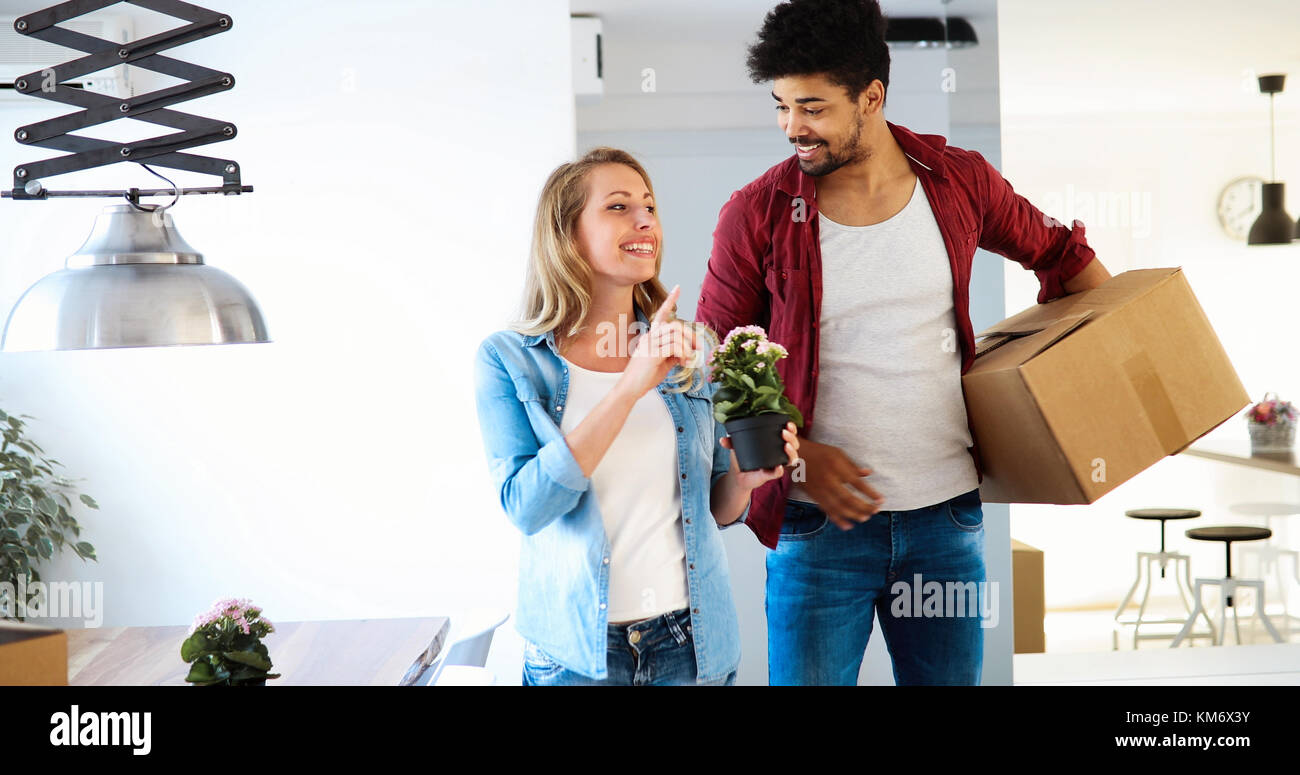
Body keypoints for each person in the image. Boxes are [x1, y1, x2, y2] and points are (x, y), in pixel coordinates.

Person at [695, 0, 1112, 685]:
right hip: (814, 528)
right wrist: (796, 455)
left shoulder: (960, 181)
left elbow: (1062, 255)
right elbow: (718, 358)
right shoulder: (758, 211)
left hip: (945, 522)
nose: (791, 127)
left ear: (872, 97)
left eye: (812, 107)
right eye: (779, 105)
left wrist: (1124, 363)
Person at [474, 147, 799, 685]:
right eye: (619, 207)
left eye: (649, 205)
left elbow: (714, 510)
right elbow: (527, 507)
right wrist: (630, 384)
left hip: (689, 645)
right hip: (577, 658)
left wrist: (744, 481)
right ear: (568, 233)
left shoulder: (690, 349)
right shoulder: (510, 359)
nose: (645, 219)